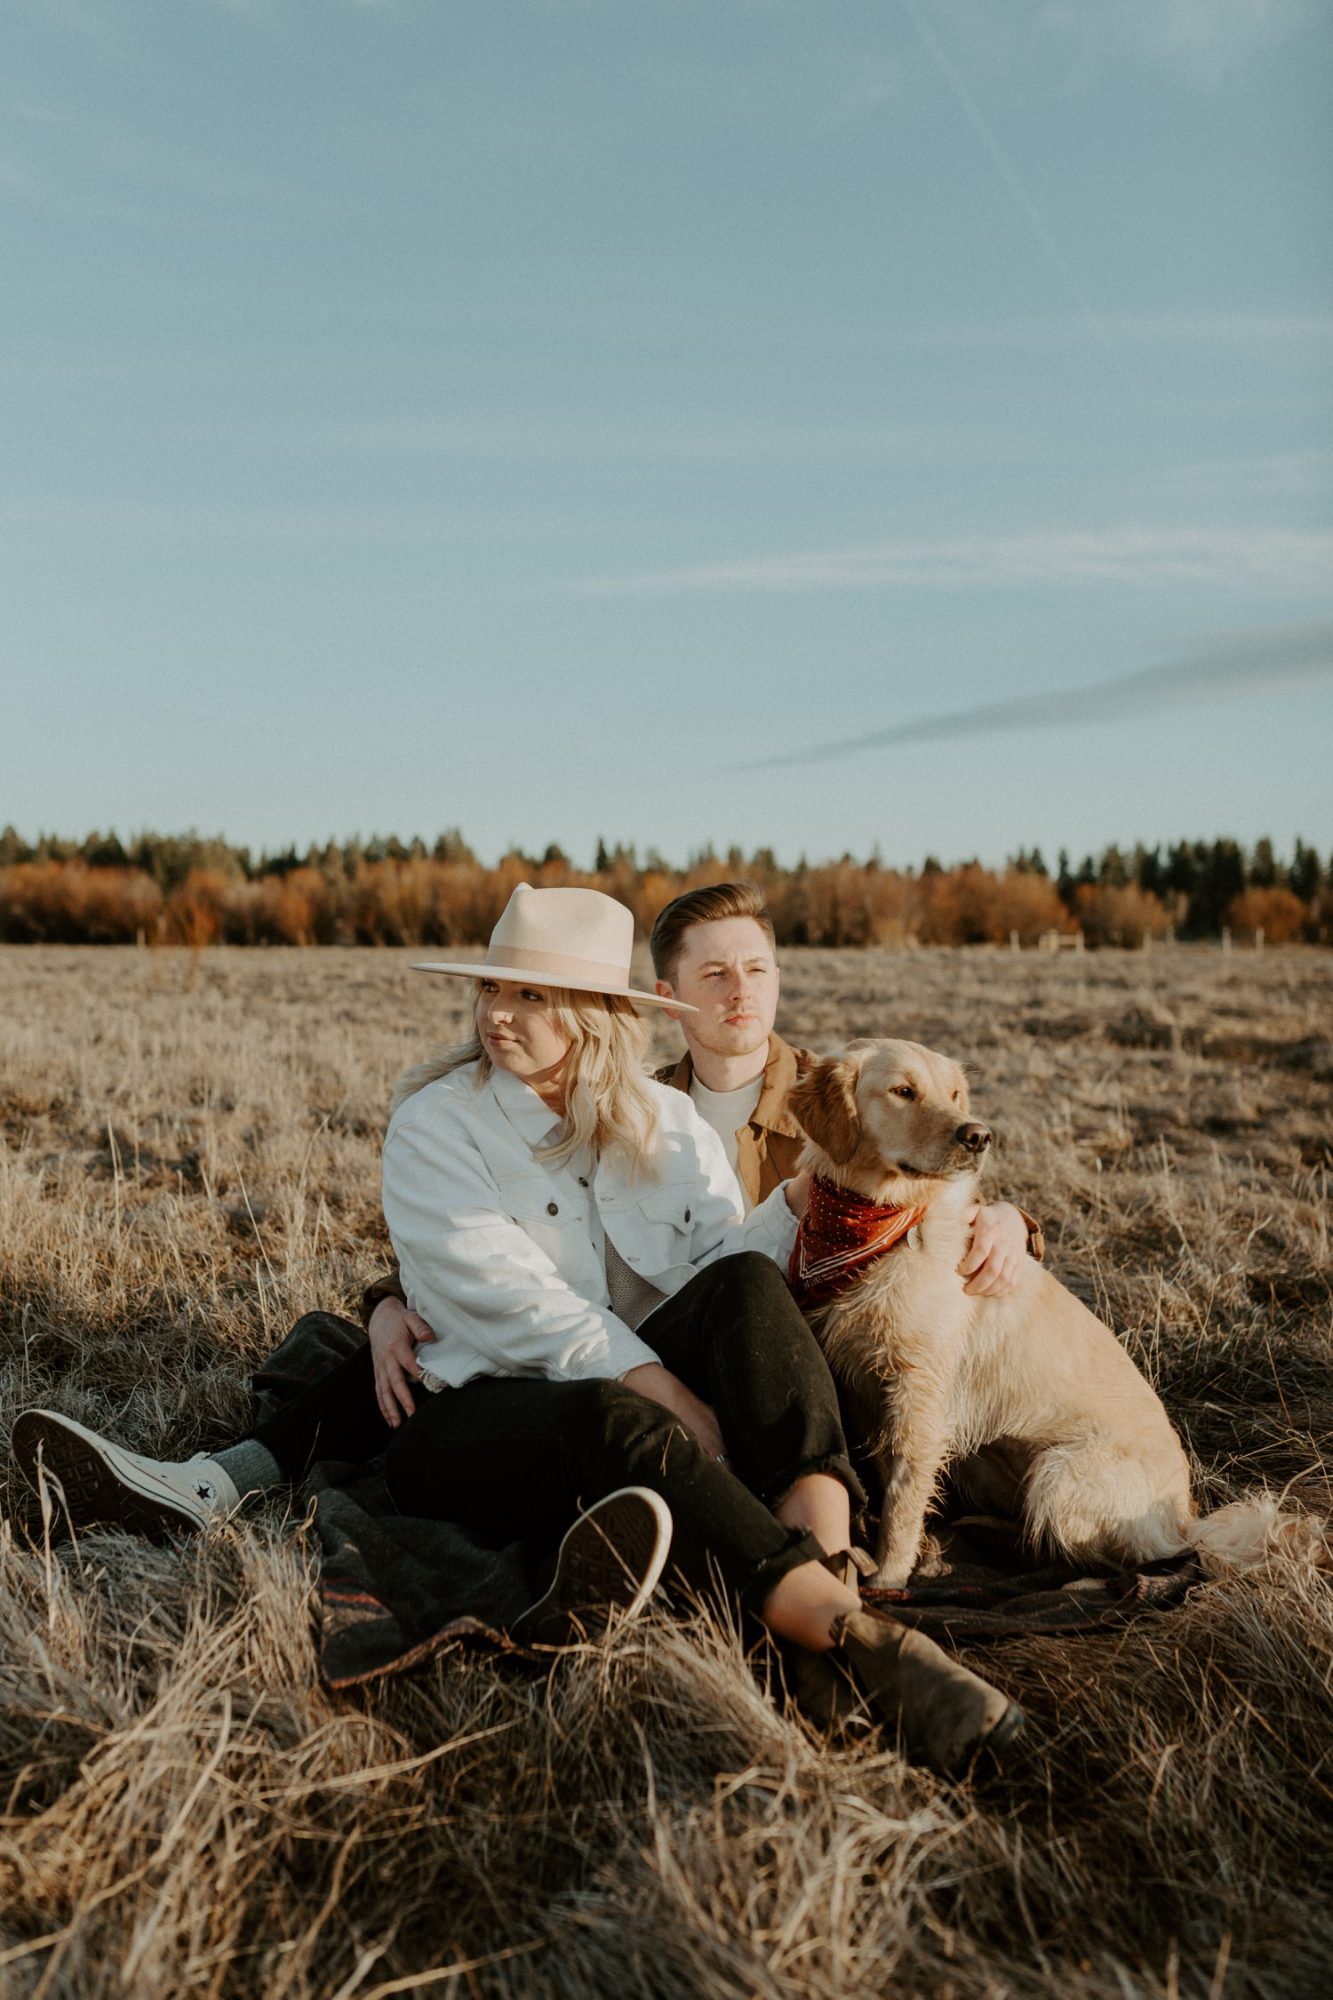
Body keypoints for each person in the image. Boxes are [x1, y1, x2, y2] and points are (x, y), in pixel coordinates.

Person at [15, 885, 1022, 1773]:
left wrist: (859, 1210)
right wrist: (656, 1381)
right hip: (470, 1414)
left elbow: (724, 1267)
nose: (498, 1012)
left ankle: (826, 1564)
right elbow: (504, 1299)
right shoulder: (437, 1124)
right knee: (618, 1419)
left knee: (751, 1286)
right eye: (491, 990)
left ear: (595, 1013)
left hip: (626, 1377)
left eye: (530, 995)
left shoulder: (665, 1127)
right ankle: (847, 1639)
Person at [367, 880, 1041, 1418]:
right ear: (666, 998)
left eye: (756, 969)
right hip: (651, 1360)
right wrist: (387, 1306)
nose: (742, 991)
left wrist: (1012, 1222)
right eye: (715, 974)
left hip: (811, 1369)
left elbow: (931, 1189)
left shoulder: (844, 1104)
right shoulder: (632, 1110)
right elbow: (510, 1254)